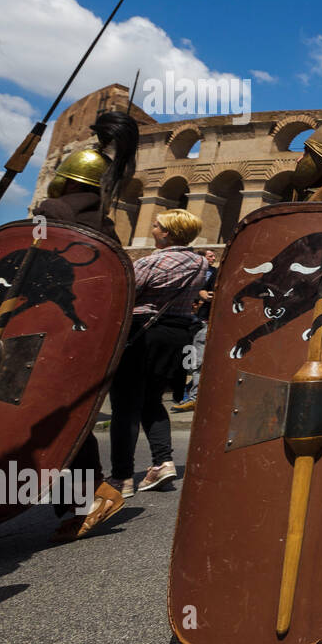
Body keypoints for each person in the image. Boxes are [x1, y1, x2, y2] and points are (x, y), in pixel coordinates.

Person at [32, 109, 137, 540]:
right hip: (77, 335)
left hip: (34, 327)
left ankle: (86, 495)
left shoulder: (50, 211)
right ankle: (84, 495)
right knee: (64, 412)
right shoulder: (105, 229)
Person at [107, 209, 211, 498]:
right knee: (152, 400)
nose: (152, 228)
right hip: (176, 335)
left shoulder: (153, 261)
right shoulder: (200, 262)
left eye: (156, 225)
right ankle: (162, 462)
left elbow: (127, 293)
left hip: (144, 332)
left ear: (167, 232)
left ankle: (121, 478)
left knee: (125, 405)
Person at [174, 249, 217, 410]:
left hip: (223, 324)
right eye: (210, 256)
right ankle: (194, 397)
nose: (214, 258)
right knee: (197, 362)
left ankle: (198, 397)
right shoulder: (218, 272)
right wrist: (205, 295)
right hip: (205, 321)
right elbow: (202, 290)